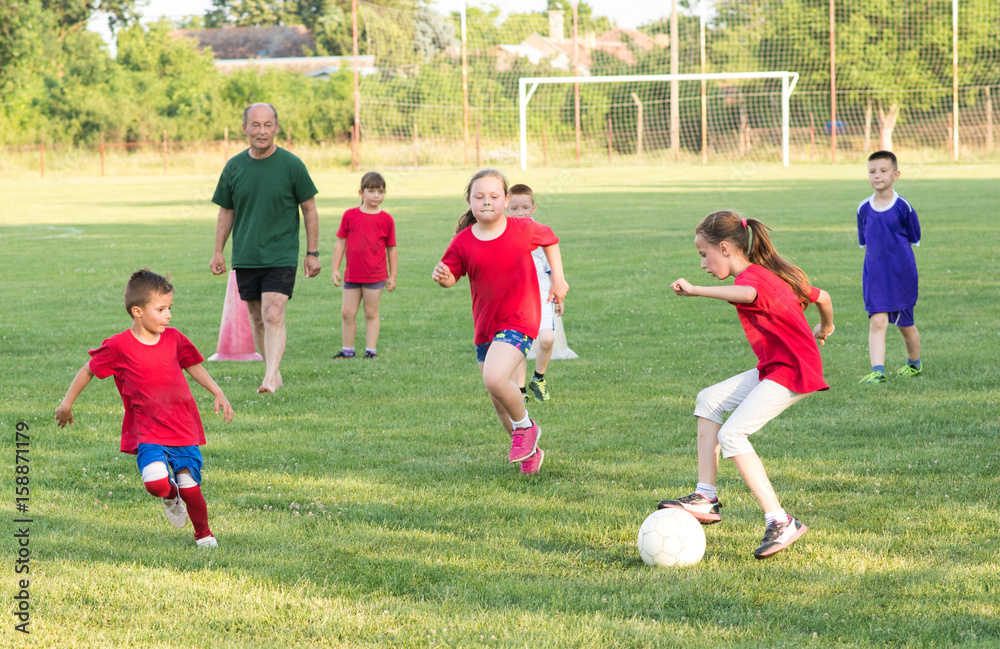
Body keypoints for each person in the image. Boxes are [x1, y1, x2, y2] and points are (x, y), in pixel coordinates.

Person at [660, 211, 834, 559]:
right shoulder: (770, 273)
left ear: (724, 248)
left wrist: (696, 291)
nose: (703, 264)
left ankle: (781, 520)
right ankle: (705, 496)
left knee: (733, 435)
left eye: (703, 255)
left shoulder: (756, 280)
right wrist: (826, 328)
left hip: (793, 370)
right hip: (775, 366)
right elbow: (823, 296)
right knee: (708, 400)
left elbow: (747, 293)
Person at [55, 269, 234, 548]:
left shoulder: (174, 338)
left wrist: (218, 391)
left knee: (190, 486)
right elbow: (88, 370)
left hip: (182, 425)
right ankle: (170, 496)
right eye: (161, 309)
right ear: (137, 311)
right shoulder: (117, 346)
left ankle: (204, 534)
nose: (168, 315)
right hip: (147, 429)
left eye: (169, 308)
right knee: (155, 483)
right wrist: (66, 404)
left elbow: (193, 365)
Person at [432, 169, 568, 476]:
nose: (487, 202)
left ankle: (526, 427)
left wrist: (559, 279)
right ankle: (530, 451)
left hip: (520, 319)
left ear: (506, 201)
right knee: (498, 399)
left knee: (495, 378)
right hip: (485, 327)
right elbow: (452, 276)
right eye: (479, 197)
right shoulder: (463, 242)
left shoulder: (523, 229)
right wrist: (443, 278)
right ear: (469, 201)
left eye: (494, 196)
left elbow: (551, 240)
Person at [209, 102, 321, 393]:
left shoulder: (292, 165)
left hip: (281, 254)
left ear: (277, 128)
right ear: (244, 128)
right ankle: (273, 371)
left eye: (268, 125)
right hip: (246, 255)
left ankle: (269, 379)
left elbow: (309, 209)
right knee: (257, 318)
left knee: (273, 314)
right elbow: (226, 211)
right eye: (255, 125)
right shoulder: (233, 167)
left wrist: (312, 253)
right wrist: (218, 250)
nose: (262, 131)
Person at [857, 150, 922, 385]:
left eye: (883, 171)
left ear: (896, 174)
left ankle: (914, 364)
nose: (877, 176)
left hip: (902, 275)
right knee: (878, 321)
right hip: (875, 276)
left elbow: (914, 238)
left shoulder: (903, 206)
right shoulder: (863, 209)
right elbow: (864, 242)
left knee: (906, 324)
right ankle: (878, 371)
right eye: (872, 171)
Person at [507, 183, 564, 403]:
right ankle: (520, 390)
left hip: (543, 294)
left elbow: (551, 266)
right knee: (519, 343)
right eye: (514, 208)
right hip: (516, 297)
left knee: (547, 339)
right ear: (506, 207)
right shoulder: (504, 233)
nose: (520, 213)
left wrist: (558, 292)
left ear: (534, 208)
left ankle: (538, 378)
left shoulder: (540, 233)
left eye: (525, 207)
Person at [331, 171, 398, 359]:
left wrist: (392, 276)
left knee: (371, 312)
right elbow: (340, 243)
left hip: (375, 276)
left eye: (381, 191)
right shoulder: (349, 215)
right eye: (371, 191)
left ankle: (371, 352)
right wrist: (335, 268)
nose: (376, 195)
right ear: (361, 192)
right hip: (352, 274)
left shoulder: (387, 219)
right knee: (347, 312)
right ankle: (347, 351)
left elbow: (391, 249)